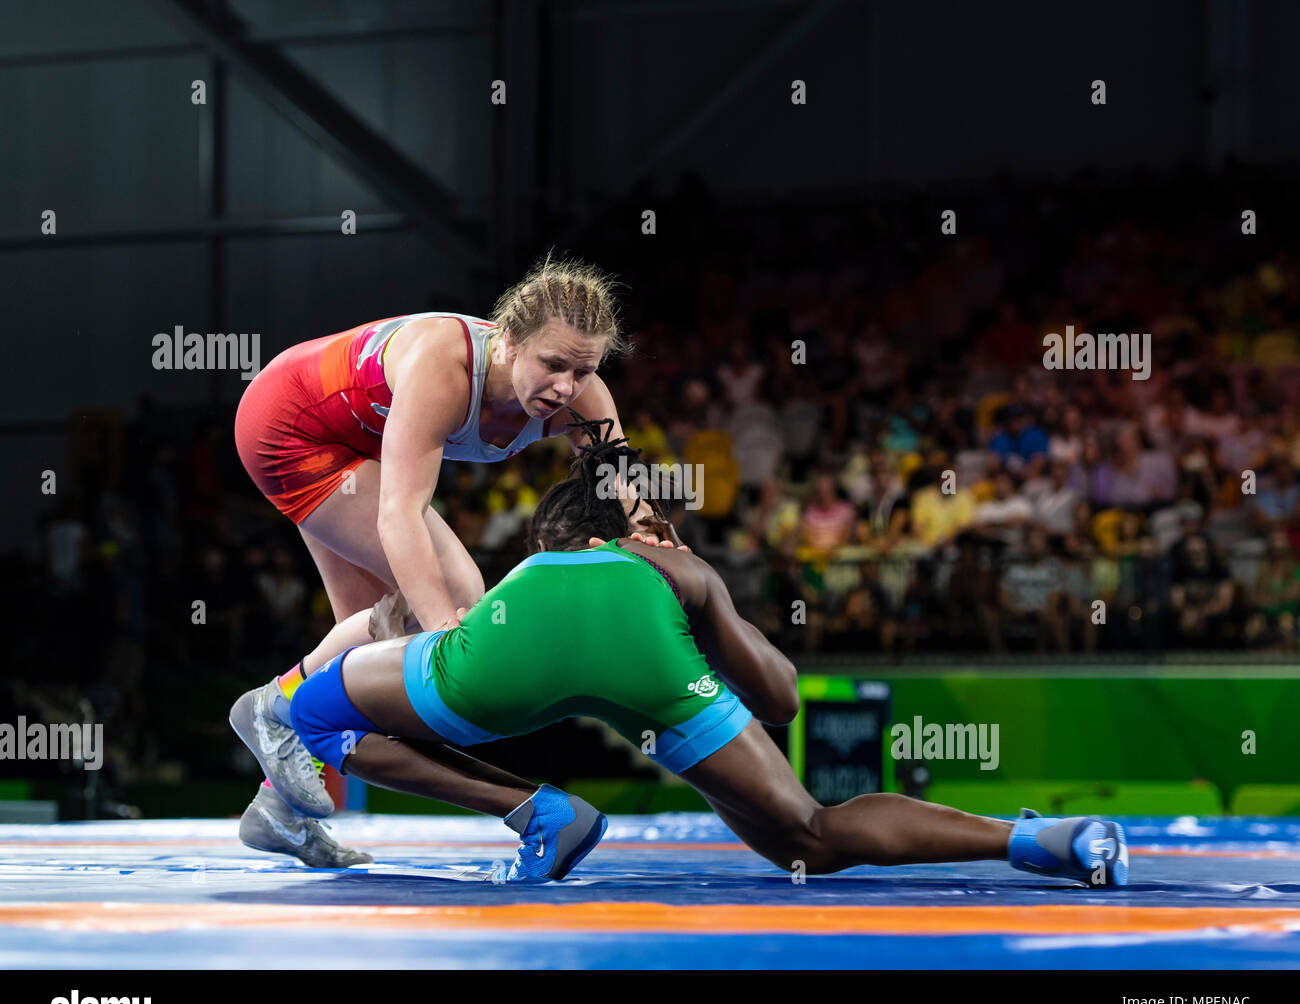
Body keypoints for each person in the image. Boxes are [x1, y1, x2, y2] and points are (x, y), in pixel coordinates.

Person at [232, 417, 1128, 887]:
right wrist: (703, 609)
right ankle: (1037, 839)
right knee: (805, 838)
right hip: (652, 653)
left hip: (512, 643)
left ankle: (535, 812)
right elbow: (782, 698)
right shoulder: (681, 572)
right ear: (644, 533)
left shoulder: (548, 558)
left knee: (305, 713)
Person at [230, 255, 662, 867]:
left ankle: (280, 811)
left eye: (583, 370)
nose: (567, 387)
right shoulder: (445, 366)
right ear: (508, 341)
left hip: (352, 439)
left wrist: (653, 531)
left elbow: (619, 481)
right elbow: (399, 514)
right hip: (292, 425)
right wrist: (444, 630)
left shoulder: (582, 397)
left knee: (363, 663)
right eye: (553, 365)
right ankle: (272, 707)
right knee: (456, 591)